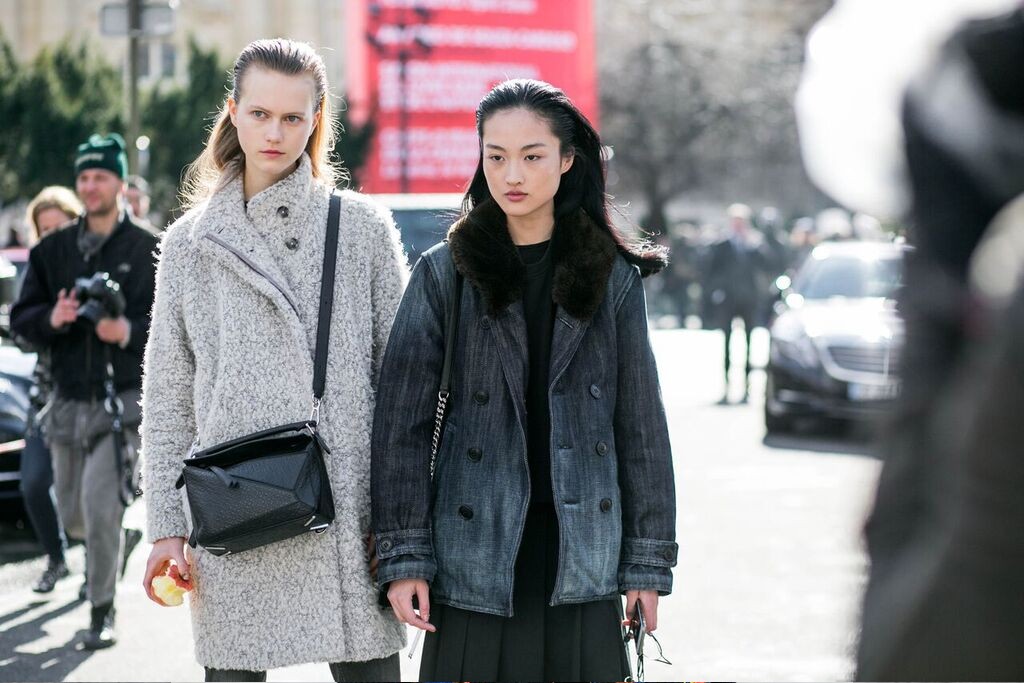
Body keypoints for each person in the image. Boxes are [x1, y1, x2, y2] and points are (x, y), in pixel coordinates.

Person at [371, 78, 678, 682]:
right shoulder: (445, 274)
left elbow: (641, 424)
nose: (512, 174)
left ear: (568, 160)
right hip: (473, 551)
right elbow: (399, 425)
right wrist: (404, 556)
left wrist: (647, 564)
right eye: (496, 156)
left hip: (582, 547)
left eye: (532, 156)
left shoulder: (610, 277)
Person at [140, 38, 406, 682]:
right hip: (233, 505)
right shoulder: (188, 245)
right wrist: (165, 528)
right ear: (232, 112)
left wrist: (404, 525)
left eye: (293, 117)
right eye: (260, 113)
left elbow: (404, 392)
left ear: (316, 121)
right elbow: (169, 394)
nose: (275, 132)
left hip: (348, 512)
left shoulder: (361, 230)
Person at [10, 134, 158, 649]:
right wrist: (51, 317)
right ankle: (115, 542)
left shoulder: (146, 248)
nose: (91, 185)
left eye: (101, 176)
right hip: (66, 402)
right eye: (84, 177)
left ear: (119, 182)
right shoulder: (52, 250)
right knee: (72, 514)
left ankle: (101, 612)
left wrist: (128, 333)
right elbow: (21, 320)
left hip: (122, 402)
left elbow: (172, 327)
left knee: (97, 506)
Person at [17, 186, 82, 594]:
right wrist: (51, 320)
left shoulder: (97, 263)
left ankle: (100, 573)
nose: (53, 236)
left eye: (61, 226)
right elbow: (22, 333)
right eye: (45, 230)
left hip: (93, 401)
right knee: (34, 482)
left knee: (92, 496)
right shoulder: (37, 273)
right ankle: (56, 559)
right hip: (46, 401)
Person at [704, 202, 769, 403]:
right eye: (736, 222)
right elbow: (710, 271)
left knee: (750, 342)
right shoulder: (722, 245)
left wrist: (755, 244)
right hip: (728, 299)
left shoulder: (754, 244)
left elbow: (767, 265)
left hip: (748, 299)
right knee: (727, 342)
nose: (738, 226)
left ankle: (747, 387)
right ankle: (726, 387)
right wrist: (717, 291)